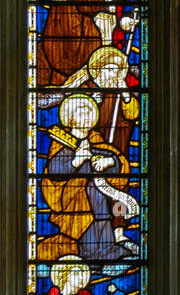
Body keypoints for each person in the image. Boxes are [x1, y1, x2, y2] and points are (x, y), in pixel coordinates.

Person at [40, 94, 138, 262]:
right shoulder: (62, 140)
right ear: (70, 117)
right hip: (74, 200)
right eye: (80, 113)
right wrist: (76, 161)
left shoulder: (95, 139)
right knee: (89, 217)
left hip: (99, 201)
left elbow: (115, 159)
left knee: (103, 217)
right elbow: (54, 171)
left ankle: (107, 249)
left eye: (88, 113)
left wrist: (109, 161)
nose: (85, 117)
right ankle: (89, 255)